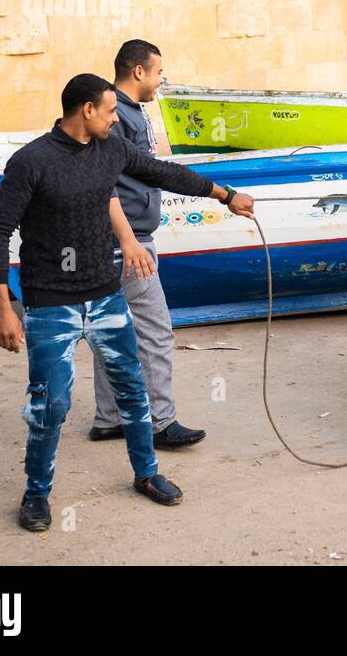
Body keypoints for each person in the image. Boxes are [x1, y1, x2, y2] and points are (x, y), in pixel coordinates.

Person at [0, 74, 254, 531]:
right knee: (51, 404)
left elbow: (166, 173)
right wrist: (2, 308)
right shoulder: (32, 161)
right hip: (51, 303)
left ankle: (146, 474)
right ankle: (36, 494)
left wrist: (224, 195)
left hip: (105, 294)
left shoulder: (110, 150)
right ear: (86, 110)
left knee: (132, 391)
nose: (116, 118)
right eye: (110, 110)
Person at [88, 40, 206, 449]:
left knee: (110, 330)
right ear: (138, 71)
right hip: (128, 244)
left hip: (116, 242)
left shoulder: (126, 112)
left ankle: (110, 417)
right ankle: (160, 421)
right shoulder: (114, 115)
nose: (160, 81)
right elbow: (105, 183)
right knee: (155, 331)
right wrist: (128, 239)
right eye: (158, 73)